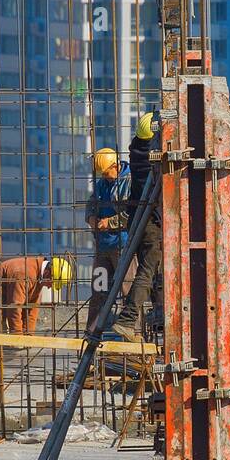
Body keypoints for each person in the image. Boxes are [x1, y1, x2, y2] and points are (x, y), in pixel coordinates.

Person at [103, 112, 162, 342]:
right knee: (148, 271)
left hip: (137, 219)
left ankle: (158, 318)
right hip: (150, 221)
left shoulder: (137, 153)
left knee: (152, 271)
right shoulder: (152, 160)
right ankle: (127, 320)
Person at [0, 255, 73, 336]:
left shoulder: (39, 275)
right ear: (48, 273)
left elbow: (32, 307)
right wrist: (18, 336)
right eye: (52, 283)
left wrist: (29, 334)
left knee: (9, 330)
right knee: (1, 336)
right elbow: (15, 306)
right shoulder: (24, 274)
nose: (49, 287)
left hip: (1, 300)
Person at [85, 146, 130, 332]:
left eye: (106, 172)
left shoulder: (129, 182)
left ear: (116, 165)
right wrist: (91, 218)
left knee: (128, 289)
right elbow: (91, 203)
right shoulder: (102, 184)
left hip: (123, 246)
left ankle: (131, 331)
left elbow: (133, 213)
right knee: (99, 290)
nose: (105, 176)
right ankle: (92, 332)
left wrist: (109, 223)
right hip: (103, 248)